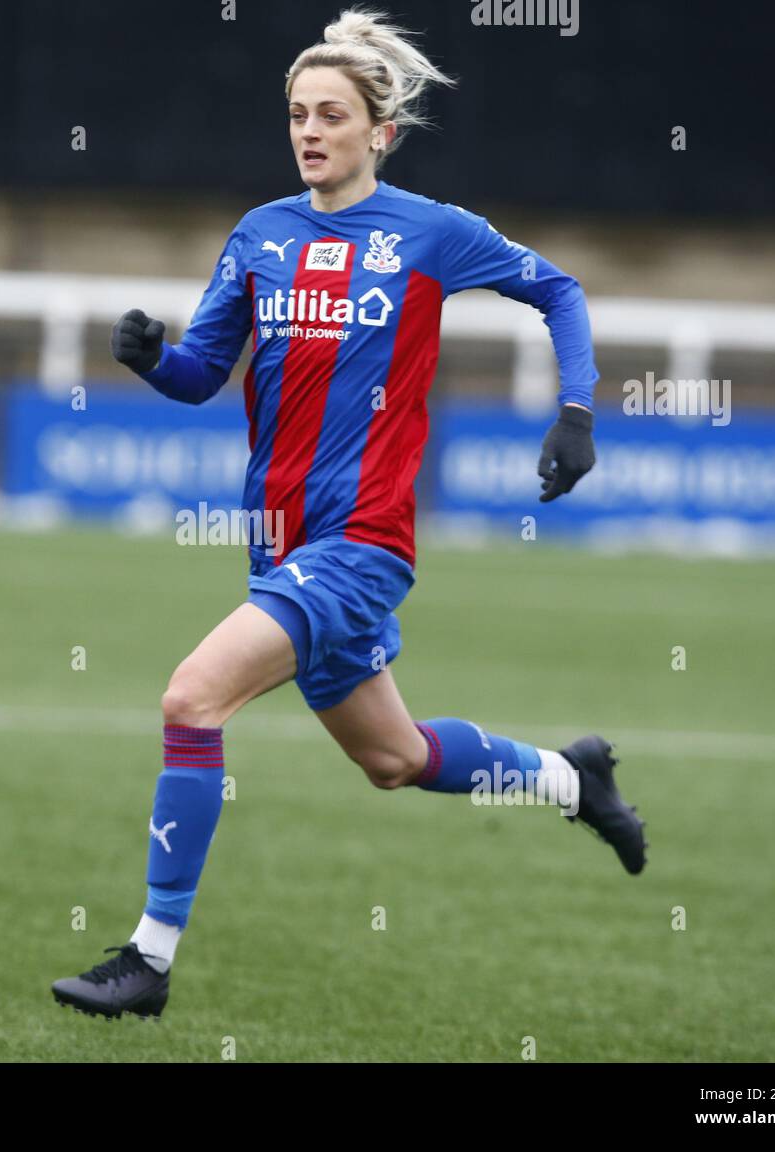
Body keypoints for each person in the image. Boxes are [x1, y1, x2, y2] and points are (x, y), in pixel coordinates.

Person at [52, 6, 646, 1021]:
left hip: (361, 544)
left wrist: (578, 410)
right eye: (296, 114)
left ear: (383, 133)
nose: (310, 131)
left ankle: (147, 960)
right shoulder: (260, 236)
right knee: (395, 759)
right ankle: (568, 779)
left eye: (332, 114)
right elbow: (204, 375)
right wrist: (154, 356)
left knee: (190, 700)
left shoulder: (429, 233)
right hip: (278, 546)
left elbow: (561, 291)